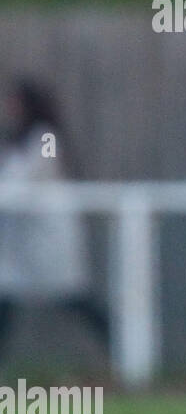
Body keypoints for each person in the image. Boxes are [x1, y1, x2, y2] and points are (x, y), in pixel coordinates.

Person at [0, 78, 109, 363]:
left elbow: (32, 176)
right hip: (20, 240)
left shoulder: (45, 138)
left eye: (14, 102)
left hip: (49, 236)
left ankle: (127, 353)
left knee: (73, 299)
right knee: (5, 302)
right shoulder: (17, 141)